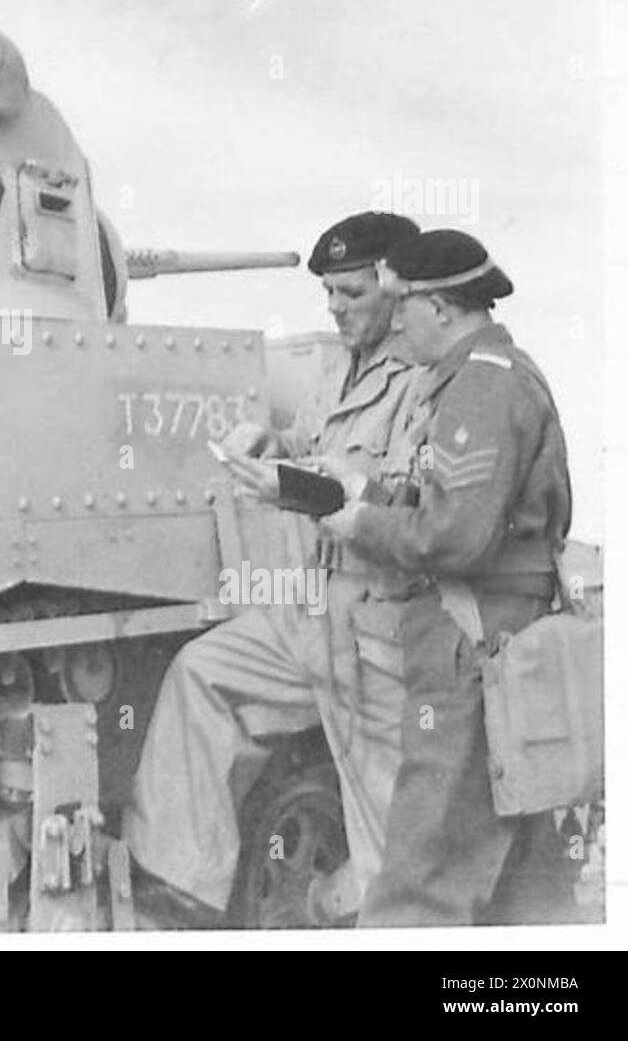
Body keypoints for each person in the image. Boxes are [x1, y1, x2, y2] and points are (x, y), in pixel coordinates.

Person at [123, 210, 421, 927]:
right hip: (316, 607)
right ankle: (183, 888)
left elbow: (411, 498)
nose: (336, 310)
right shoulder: (343, 362)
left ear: (395, 285)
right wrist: (270, 440)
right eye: (328, 296)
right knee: (203, 676)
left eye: (350, 294)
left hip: (385, 617)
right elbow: (311, 437)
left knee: (392, 828)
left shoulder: (427, 374)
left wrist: (299, 481)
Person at [319, 229, 572, 926]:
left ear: (440, 306)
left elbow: (454, 538)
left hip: (469, 648)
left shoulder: (483, 385)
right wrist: (361, 487)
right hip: (490, 640)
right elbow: (451, 506)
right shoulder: (481, 376)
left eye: (402, 305)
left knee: (420, 877)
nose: (393, 322)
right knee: (521, 875)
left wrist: (359, 525)